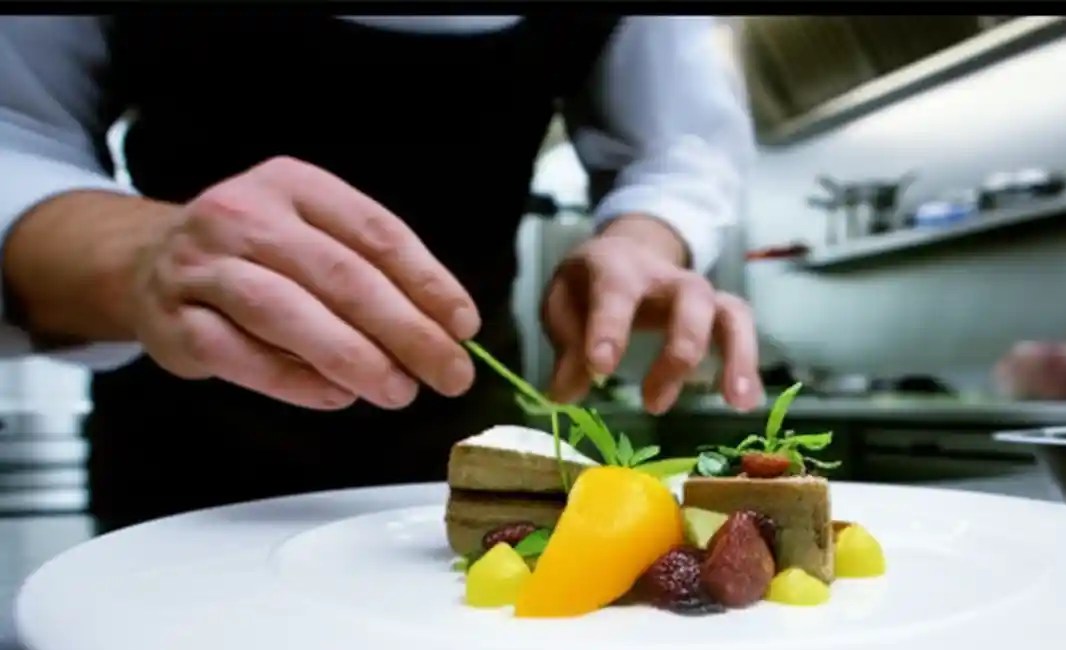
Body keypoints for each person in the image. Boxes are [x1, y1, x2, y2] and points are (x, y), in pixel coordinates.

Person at [0, 13, 762, 530]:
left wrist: (642, 241)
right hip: (182, 435)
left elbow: (676, 147)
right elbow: (15, 129)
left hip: (465, 425)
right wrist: (143, 255)